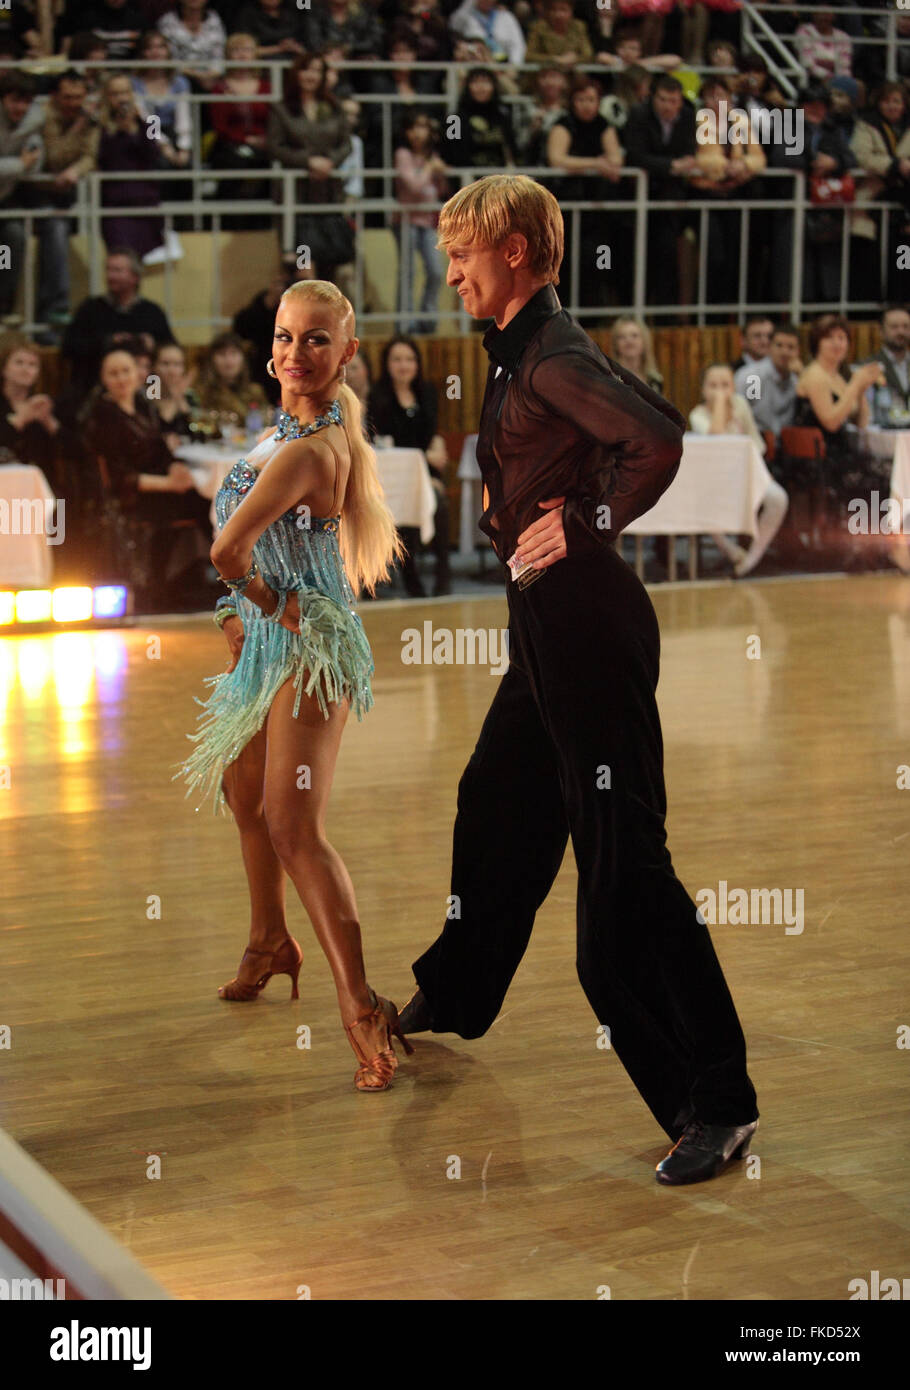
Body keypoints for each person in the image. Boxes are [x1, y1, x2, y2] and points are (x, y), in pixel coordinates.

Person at [397, 174, 760, 1186]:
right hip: (546, 627)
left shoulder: (551, 354)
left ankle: (718, 1102)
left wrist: (590, 518)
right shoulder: (528, 353)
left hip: (588, 629)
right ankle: (459, 988)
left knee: (622, 878)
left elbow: (660, 437)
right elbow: (622, 432)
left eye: (461, 252)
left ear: (513, 250)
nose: (450, 270)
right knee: (496, 799)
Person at [173, 279, 411, 1094]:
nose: (295, 352)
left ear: (347, 353)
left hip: (308, 646)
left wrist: (257, 602)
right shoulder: (283, 433)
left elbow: (227, 554)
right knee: (245, 796)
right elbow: (237, 553)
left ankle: (361, 1007)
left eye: (316, 339)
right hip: (266, 640)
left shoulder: (311, 450)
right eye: (284, 336)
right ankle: (269, 941)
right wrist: (235, 613)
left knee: (292, 825)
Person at [688, 362, 789, 578]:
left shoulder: (741, 406)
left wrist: (763, 472)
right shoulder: (698, 415)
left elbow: (755, 442)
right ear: (703, 390)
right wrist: (720, 404)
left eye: (725, 385)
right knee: (699, 502)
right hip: (715, 482)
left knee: (778, 498)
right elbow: (716, 437)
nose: (719, 391)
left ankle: (751, 559)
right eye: (713, 385)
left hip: (747, 476)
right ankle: (730, 551)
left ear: (733, 387)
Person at [368, 335, 451, 596]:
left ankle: (443, 575)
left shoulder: (427, 392)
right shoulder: (378, 397)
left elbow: (432, 433)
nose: (404, 365)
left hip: (425, 474)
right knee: (402, 503)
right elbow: (384, 443)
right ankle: (410, 575)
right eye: (397, 359)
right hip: (392, 476)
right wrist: (426, 455)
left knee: (439, 502)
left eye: (409, 359)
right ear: (387, 364)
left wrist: (436, 446)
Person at [265, 52, 353, 280]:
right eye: (306, 69)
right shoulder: (281, 108)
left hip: (328, 195)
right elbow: (274, 146)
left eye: (317, 70)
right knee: (303, 269)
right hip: (296, 198)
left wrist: (330, 162)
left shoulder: (334, 106)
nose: (311, 75)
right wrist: (308, 161)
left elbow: (346, 144)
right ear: (296, 73)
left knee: (329, 269)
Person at [623, 75, 698, 313]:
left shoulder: (689, 116)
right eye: (663, 100)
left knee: (667, 256)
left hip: (671, 199)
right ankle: (633, 313)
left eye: (673, 101)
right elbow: (635, 155)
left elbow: (689, 153)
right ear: (653, 98)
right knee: (633, 258)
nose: (668, 106)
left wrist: (678, 165)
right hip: (636, 198)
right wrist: (671, 166)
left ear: (680, 101)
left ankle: (668, 316)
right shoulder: (638, 114)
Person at [35, 70, 100, 343]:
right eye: (67, 97)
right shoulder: (43, 116)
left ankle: (53, 315)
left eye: (78, 97)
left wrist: (76, 170)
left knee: (56, 233)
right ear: (54, 96)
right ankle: (54, 310)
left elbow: (91, 156)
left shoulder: (92, 119)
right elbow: (54, 157)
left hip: (65, 196)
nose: (74, 103)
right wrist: (77, 129)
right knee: (14, 249)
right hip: (32, 195)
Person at [62, 247, 176, 398]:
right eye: (108, 270)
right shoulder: (90, 309)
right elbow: (68, 347)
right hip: (95, 391)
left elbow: (170, 348)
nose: (110, 276)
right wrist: (108, 342)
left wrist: (153, 344)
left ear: (135, 277)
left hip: (147, 392)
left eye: (117, 270)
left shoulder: (152, 312)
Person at [97, 73, 165, 261]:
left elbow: (155, 155)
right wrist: (117, 130)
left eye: (125, 92)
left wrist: (136, 127)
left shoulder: (152, 121)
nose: (121, 99)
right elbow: (101, 157)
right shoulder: (99, 125)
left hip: (146, 202)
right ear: (107, 97)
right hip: (115, 205)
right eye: (115, 94)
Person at [393, 112, 450, 335]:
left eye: (424, 127)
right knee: (408, 272)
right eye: (414, 127)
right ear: (407, 131)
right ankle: (404, 325)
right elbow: (414, 186)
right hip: (406, 220)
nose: (418, 132)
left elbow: (441, 190)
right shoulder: (403, 155)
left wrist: (441, 173)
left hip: (427, 221)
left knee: (436, 271)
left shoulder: (432, 156)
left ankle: (428, 320)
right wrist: (429, 168)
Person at [0, 71, 44, 323]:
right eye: (15, 100)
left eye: (26, 102)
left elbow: (35, 165)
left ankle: (3, 303)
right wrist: (18, 164)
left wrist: (23, 164)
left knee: (10, 242)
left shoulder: (34, 121)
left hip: (4, 200)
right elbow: (24, 164)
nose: (21, 108)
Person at [734, 324, 801, 438]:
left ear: (798, 351)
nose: (784, 352)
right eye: (779, 345)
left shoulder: (796, 380)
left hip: (784, 441)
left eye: (790, 347)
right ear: (769, 347)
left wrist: (802, 376)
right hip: (755, 439)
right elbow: (740, 412)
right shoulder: (754, 377)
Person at [196, 330, 268, 422]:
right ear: (212, 360)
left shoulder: (255, 391)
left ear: (243, 358)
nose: (228, 360)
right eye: (222, 354)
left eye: (234, 353)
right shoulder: (203, 393)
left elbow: (266, 421)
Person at [863, 303, 910, 425]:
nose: (901, 331)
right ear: (881, 331)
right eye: (894, 327)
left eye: (905, 326)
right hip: (883, 429)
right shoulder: (869, 366)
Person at [609, 314, 663, 391]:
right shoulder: (609, 378)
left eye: (634, 336)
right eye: (622, 337)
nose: (629, 340)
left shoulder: (655, 380)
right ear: (615, 344)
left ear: (644, 341)